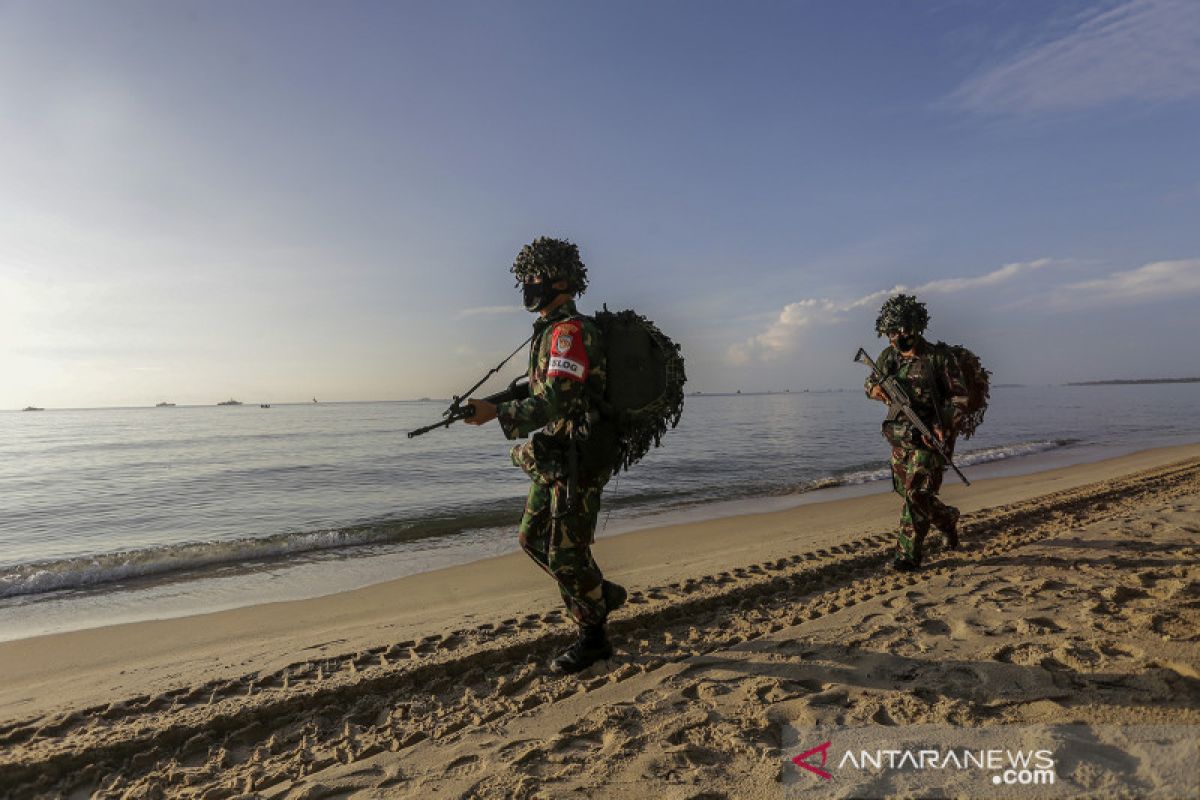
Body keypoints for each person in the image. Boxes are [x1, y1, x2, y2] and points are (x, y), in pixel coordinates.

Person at [465, 236, 626, 674]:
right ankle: (601, 594)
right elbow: (541, 390)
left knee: (567, 556)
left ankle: (594, 638)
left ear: (560, 280)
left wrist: (496, 414)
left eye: (535, 277)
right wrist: (495, 404)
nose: (528, 285)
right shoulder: (549, 332)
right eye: (526, 278)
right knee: (532, 539)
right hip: (556, 456)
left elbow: (557, 399)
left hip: (580, 459)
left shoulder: (570, 333)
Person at [864, 294, 970, 571]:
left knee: (916, 493)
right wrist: (876, 390)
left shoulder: (938, 358)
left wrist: (942, 425)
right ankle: (947, 518)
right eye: (891, 332)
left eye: (902, 330)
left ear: (916, 327)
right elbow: (870, 383)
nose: (897, 337)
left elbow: (960, 398)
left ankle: (907, 557)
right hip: (901, 436)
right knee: (908, 492)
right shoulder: (888, 357)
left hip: (931, 438)